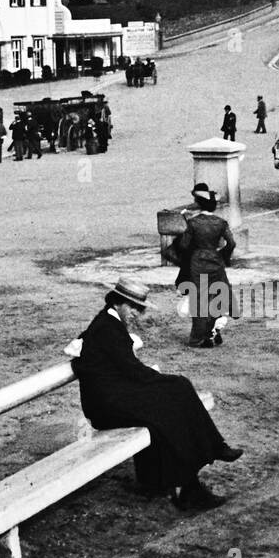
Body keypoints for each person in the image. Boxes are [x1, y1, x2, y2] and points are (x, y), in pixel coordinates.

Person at [71, 278, 243, 509]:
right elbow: (133, 372)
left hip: (113, 397)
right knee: (174, 397)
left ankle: (190, 476)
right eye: (132, 307)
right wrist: (164, 381)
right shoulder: (107, 328)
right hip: (106, 407)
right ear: (117, 302)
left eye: (139, 309)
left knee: (172, 401)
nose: (135, 314)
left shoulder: (108, 323)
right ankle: (195, 479)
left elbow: (123, 368)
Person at [174, 182, 237, 348]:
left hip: (198, 262)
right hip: (215, 261)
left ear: (199, 204)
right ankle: (213, 331)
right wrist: (222, 257)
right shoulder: (221, 222)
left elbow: (183, 246)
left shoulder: (194, 223)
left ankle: (198, 337)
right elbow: (231, 244)